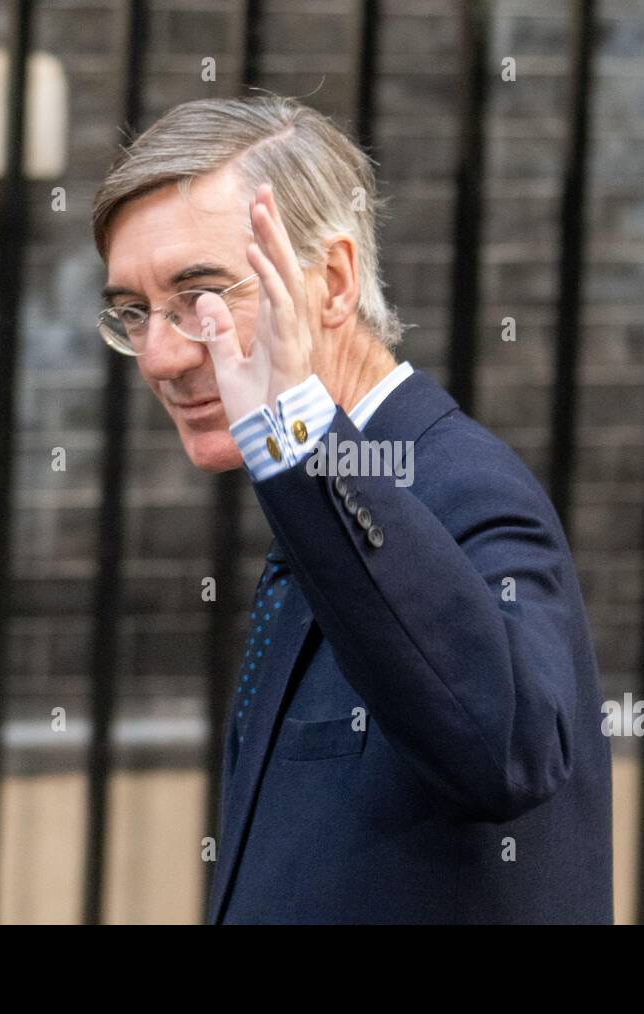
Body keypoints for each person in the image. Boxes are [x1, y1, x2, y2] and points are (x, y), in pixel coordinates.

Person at [92, 94, 612, 923]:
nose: (162, 353)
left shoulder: (462, 486)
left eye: (200, 294)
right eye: (134, 312)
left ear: (330, 282)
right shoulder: (306, 490)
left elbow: (508, 754)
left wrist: (301, 434)